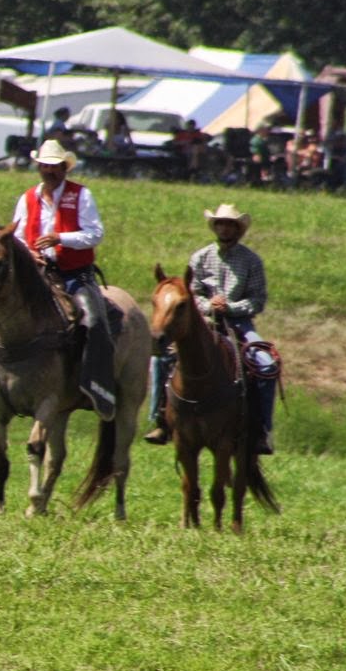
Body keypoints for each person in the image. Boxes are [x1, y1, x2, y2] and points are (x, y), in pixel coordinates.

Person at [146, 203, 276, 453]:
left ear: (238, 229)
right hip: (203, 321)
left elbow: (257, 300)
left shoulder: (251, 261)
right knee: (162, 360)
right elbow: (191, 294)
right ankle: (161, 420)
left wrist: (230, 306)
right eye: (221, 223)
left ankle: (261, 429)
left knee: (266, 364)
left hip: (239, 322)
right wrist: (208, 305)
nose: (225, 228)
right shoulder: (200, 257)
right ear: (215, 227)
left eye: (230, 224)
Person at [14, 139, 114, 418]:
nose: (49, 171)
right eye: (45, 166)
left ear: (64, 168)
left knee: (94, 323)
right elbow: (17, 237)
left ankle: (96, 383)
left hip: (74, 274)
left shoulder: (81, 195)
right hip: (38, 274)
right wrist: (28, 253)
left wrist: (62, 238)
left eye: (55, 167)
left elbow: (95, 234)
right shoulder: (27, 198)